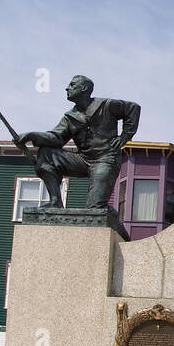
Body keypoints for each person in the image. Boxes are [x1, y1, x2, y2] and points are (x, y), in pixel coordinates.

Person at [17, 75, 140, 236]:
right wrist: (33, 135)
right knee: (46, 153)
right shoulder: (70, 117)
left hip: (105, 160)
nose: (67, 88)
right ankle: (55, 202)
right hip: (83, 160)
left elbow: (133, 108)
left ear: (84, 89)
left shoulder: (106, 105)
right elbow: (56, 138)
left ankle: (116, 225)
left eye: (72, 85)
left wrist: (125, 136)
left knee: (94, 211)